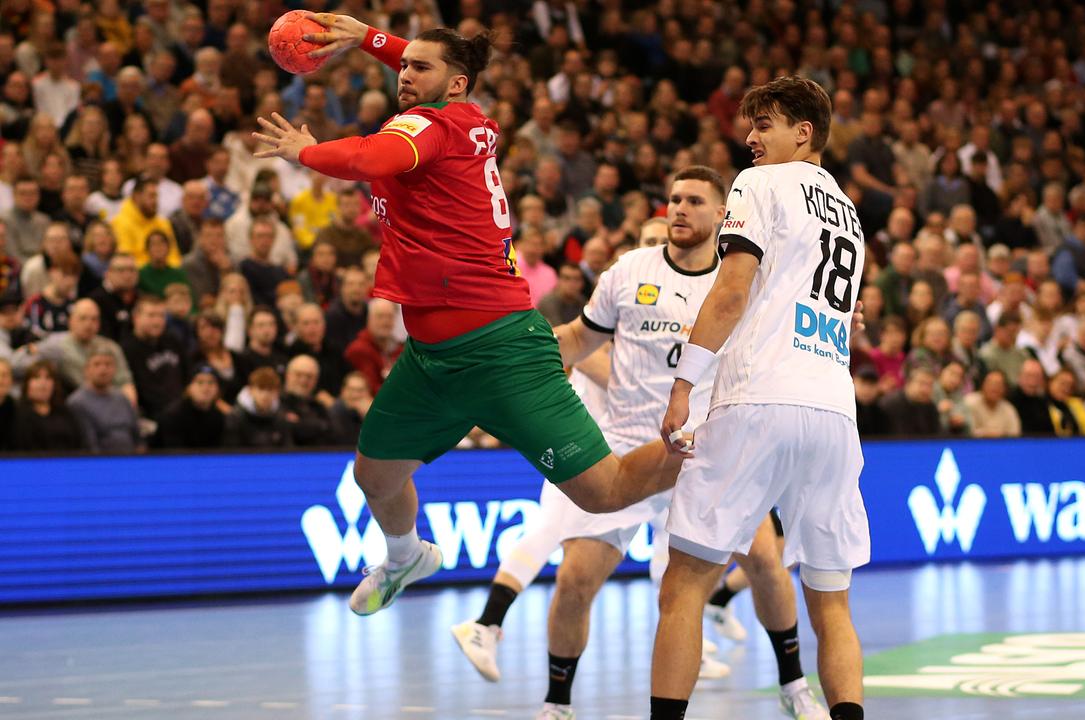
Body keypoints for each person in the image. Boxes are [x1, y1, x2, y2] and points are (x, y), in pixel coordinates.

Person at [265, 15, 691, 617]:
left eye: (419, 68)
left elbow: (369, 157)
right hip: (431, 358)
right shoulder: (464, 118)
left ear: (456, 83)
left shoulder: (431, 126)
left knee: (605, 492)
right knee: (375, 476)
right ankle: (405, 557)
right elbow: (433, 71)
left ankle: (716, 447)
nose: (404, 75)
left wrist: (305, 151)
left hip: (502, 352)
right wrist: (367, 39)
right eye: (403, 65)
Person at [452, 168, 824, 718]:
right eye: (674, 199)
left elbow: (797, 328)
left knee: (766, 561)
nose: (679, 208)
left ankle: (794, 687)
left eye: (694, 200)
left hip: (705, 451)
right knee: (575, 579)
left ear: (723, 215)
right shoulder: (628, 272)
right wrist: (511, 361)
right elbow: (580, 339)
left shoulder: (744, 281)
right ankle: (557, 704)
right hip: (626, 453)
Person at [655, 77, 867, 720]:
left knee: (686, 580)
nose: (749, 137)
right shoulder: (851, 214)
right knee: (831, 601)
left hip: (759, 398)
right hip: (834, 409)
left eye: (764, 124)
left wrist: (684, 384)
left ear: (803, 133)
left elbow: (731, 292)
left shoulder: (760, 184)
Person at [120, 294, 187, 420]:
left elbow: (188, 375)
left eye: (161, 316)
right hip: (152, 417)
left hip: (183, 411)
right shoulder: (126, 349)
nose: (157, 321)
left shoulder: (172, 341)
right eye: (151, 315)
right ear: (136, 318)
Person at [67, 347, 140, 453]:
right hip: (100, 460)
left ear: (115, 369)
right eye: (97, 364)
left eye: (108, 364)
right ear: (86, 370)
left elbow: (137, 436)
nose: (103, 369)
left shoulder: (122, 398)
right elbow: (89, 445)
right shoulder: (77, 403)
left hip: (132, 458)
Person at [10, 359, 82, 451]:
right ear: (27, 384)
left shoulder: (65, 412)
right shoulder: (18, 415)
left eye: (48, 378)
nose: (43, 382)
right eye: (36, 377)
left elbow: (79, 442)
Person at [342, 298, 403, 395]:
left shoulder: (399, 349)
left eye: (390, 316)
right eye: (380, 316)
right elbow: (372, 390)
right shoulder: (359, 350)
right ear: (368, 319)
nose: (385, 322)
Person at [156, 365, 226, 448]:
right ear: (188, 387)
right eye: (200, 382)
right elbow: (173, 452)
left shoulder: (218, 416)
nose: (206, 388)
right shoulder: (173, 416)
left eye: (211, 383)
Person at [223, 366, 293, 448]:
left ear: (277, 392)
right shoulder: (236, 417)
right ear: (250, 390)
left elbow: (288, 449)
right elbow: (232, 451)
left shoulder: (281, 416)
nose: (265, 395)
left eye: (270, 389)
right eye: (261, 388)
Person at [281, 354, 333, 446]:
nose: (303, 380)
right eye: (298, 374)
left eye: (309, 376)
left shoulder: (319, 406)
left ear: (316, 380)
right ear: (287, 375)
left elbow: (332, 431)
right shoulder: (276, 402)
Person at [964, 370, 1022, 437]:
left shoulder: (1009, 409)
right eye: (991, 383)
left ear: (1004, 389)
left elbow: (1015, 435)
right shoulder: (969, 402)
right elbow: (966, 431)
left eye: (998, 384)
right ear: (982, 385)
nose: (994, 388)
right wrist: (985, 434)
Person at [328, 370, 372, 445]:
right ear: (343, 391)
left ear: (368, 392)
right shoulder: (334, 413)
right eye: (351, 390)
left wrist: (369, 417)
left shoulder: (372, 413)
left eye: (360, 390)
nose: (355, 395)